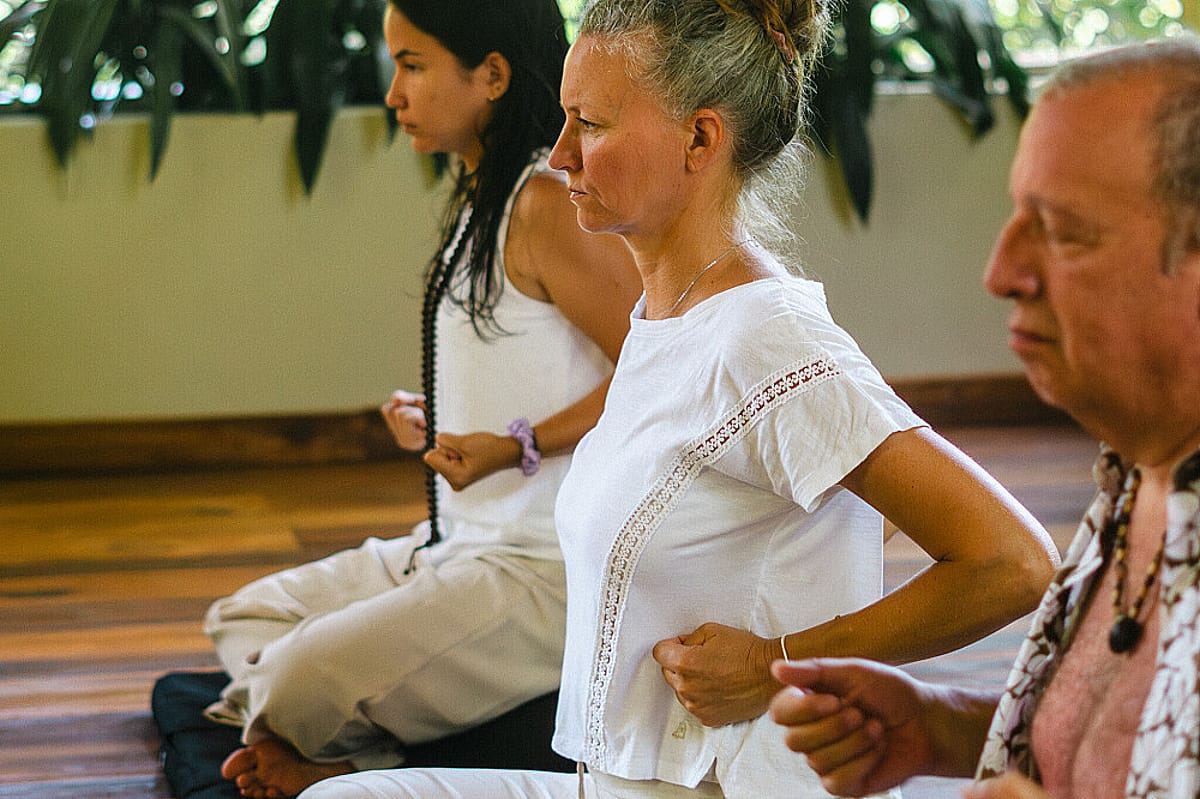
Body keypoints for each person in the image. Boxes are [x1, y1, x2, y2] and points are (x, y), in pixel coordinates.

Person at [296, 1, 1059, 797]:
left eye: (588, 123)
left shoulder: (765, 337)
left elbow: (1015, 562)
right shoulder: (667, 314)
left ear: (700, 138)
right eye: (563, 119)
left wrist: (776, 660)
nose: (559, 156)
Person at [202, 1, 641, 796]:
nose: (393, 94)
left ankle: (363, 759)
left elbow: (651, 368)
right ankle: (328, 734)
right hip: (450, 542)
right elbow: (526, 359)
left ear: (493, 76)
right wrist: (439, 419)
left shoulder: (543, 202)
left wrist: (517, 444)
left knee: (291, 684)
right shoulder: (483, 192)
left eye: (411, 65)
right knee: (242, 620)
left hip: (536, 571)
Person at [768, 35, 1200, 799]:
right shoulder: (1143, 473)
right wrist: (944, 725)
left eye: (1065, 232)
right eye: (1016, 218)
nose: (1001, 273)